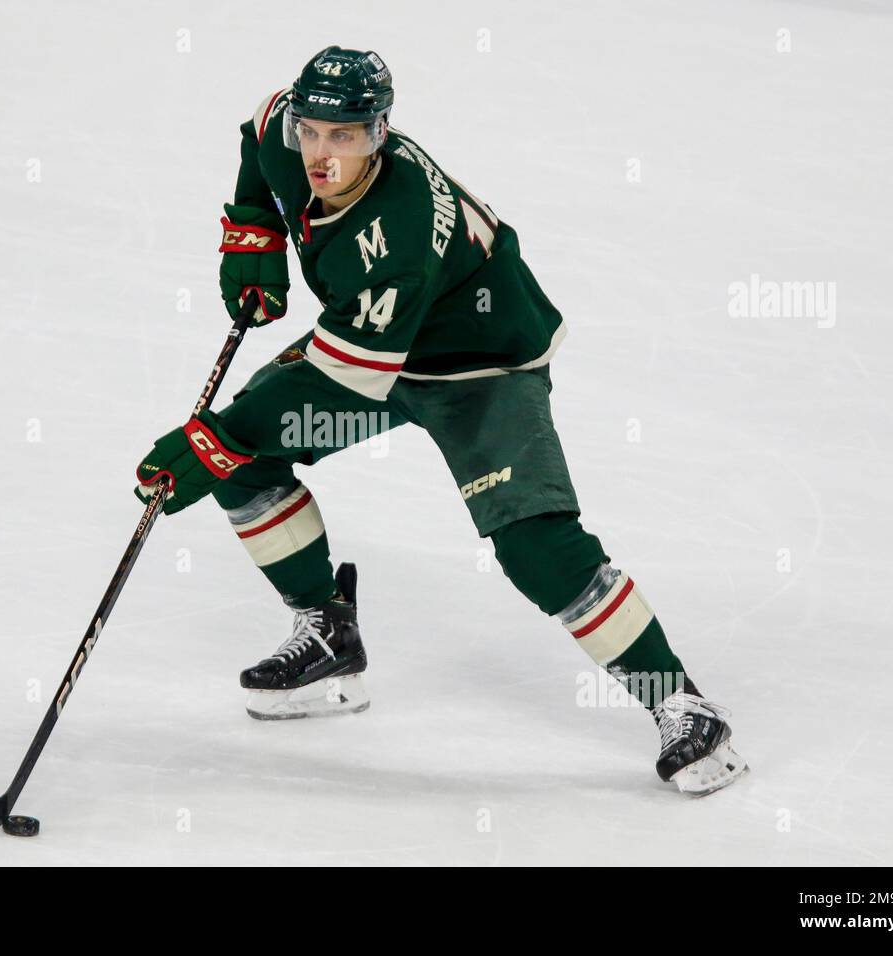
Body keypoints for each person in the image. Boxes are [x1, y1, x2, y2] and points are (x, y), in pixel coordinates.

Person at [135, 46, 747, 794]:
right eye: (313, 132)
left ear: (381, 132)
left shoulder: (400, 225)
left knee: (534, 545)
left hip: (478, 366)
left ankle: (684, 705)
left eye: (347, 136)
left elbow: (345, 379)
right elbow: (257, 139)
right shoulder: (284, 135)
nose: (323, 154)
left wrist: (219, 439)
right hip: (368, 341)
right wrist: (253, 231)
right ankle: (328, 632)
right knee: (249, 459)